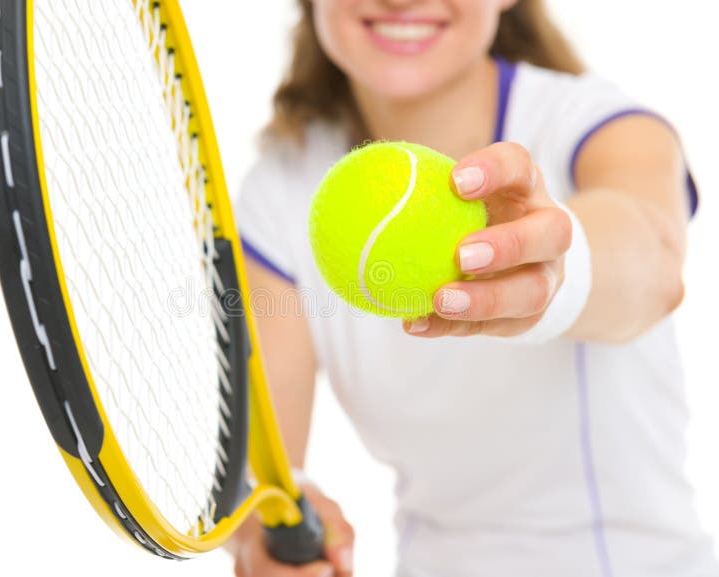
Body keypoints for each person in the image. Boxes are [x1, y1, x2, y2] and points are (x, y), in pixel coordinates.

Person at [228, 1, 717, 576]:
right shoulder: (277, 192)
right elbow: (268, 469)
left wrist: (554, 266)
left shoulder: (598, 123)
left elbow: (654, 266)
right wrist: (268, 530)